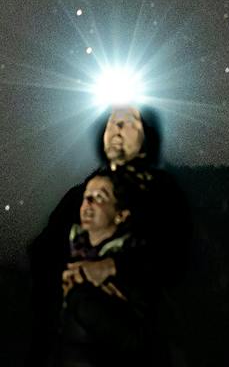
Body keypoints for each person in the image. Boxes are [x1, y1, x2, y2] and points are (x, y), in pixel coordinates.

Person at [29, 104, 191, 366]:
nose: (117, 128)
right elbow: (43, 253)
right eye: (112, 122)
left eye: (129, 123)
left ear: (146, 138)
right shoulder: (79, 195)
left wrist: (112, 267)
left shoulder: (163, 193)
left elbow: (177, 255)